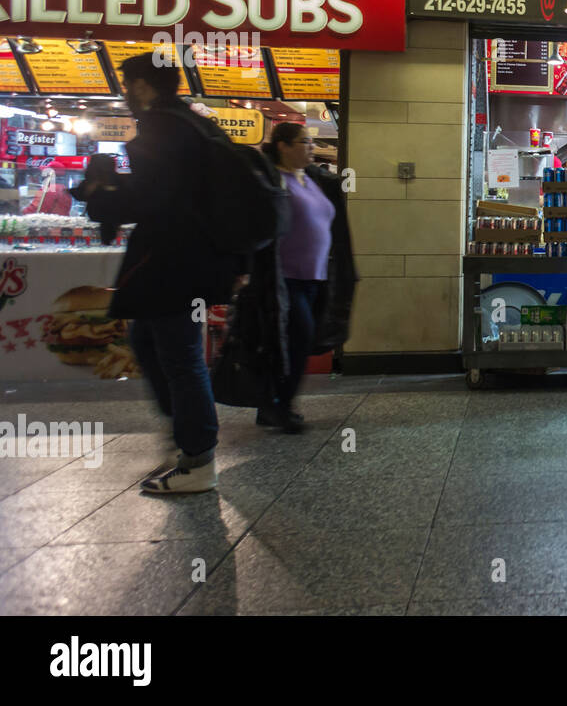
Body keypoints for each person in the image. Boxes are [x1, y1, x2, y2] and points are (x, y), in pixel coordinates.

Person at [76, 54, 240, 494]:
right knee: (149, 342)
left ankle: (197, 459)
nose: (124, 93)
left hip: (172, 265)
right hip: (190, 261)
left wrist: (105, 193)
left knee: (180, 358)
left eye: (127, 83)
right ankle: (185, 436)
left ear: (144, 85)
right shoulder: (192, 124)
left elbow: (151, 202)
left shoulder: (164, 129)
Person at [251, 122, 357, 432]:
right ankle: (281, 406)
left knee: (296, 339)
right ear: (282, 146)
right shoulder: (272, 180)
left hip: (317, 277)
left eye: (311, 142)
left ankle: (269, 404)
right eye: (304, 142)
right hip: (283, 277)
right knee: (299, 336)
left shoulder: (313, 179)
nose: (311, 147)